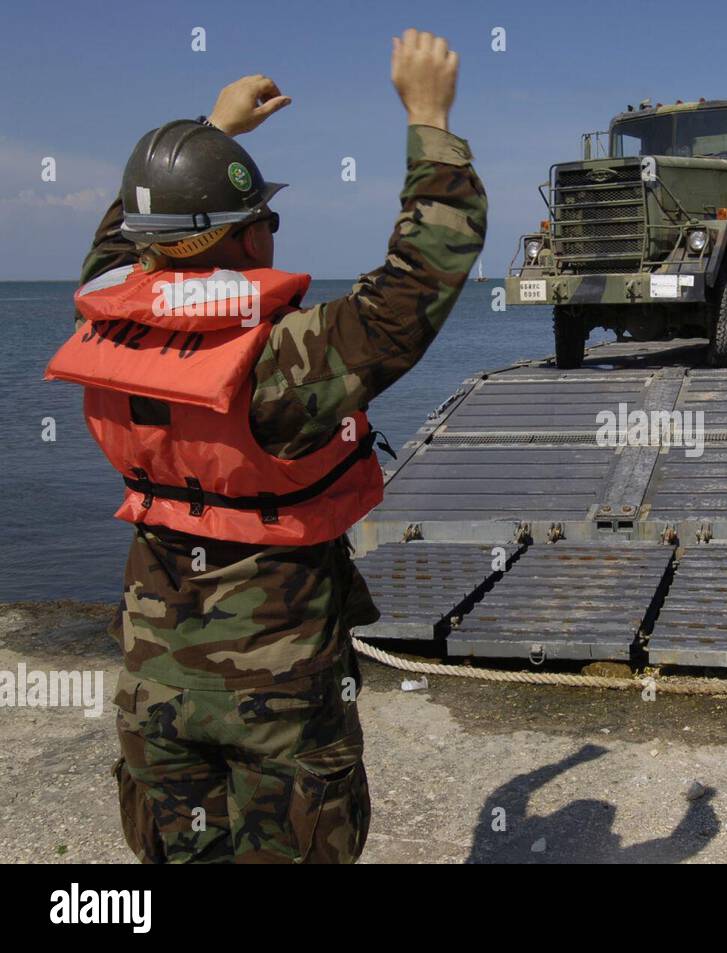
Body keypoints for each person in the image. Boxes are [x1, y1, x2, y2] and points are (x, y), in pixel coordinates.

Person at [45, 29, 486, 863]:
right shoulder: (286, 364)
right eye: (267, 218)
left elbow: (123, 240)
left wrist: (208, 136)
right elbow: (423, 272)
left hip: (155, 673)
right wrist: (430, 118)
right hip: (278, 685)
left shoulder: (98, 317)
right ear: (250, 238)